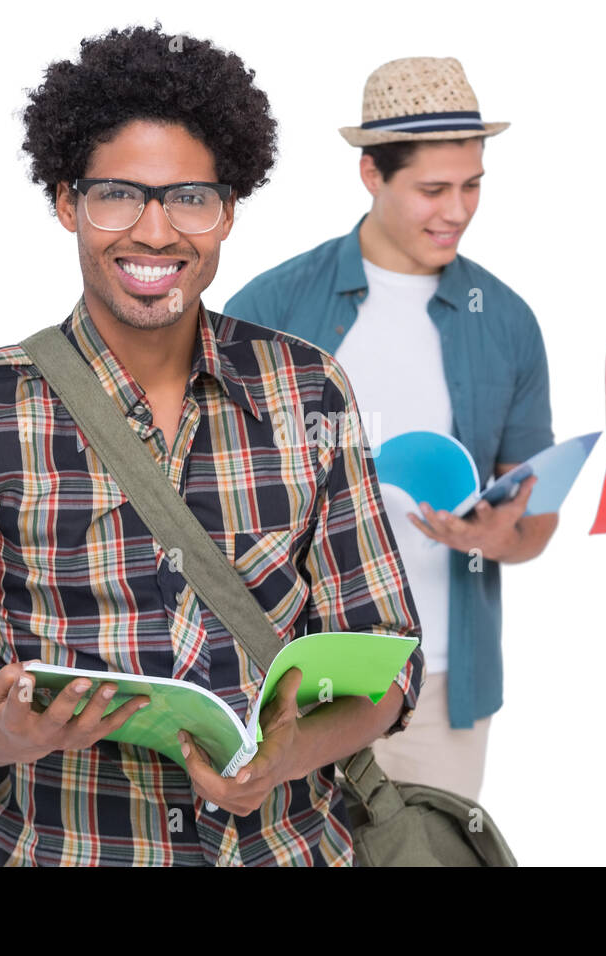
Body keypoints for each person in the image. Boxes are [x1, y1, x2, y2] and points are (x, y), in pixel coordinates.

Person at [0, 24, 423, 867]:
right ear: (66, 202)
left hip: (285, 849)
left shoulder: (309, 389)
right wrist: (6, 731)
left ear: (229, 210)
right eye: (117, 195)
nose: (156, 232)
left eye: (190, 198)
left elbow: (385, 661)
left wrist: (285, 756)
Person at [224, 57, 555, 801]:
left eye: (472, 186)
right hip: (293, 679)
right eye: (433, 189)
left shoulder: (504, 320)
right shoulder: (272, 305)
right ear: (371, 174)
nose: (457, 210)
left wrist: (497, 538)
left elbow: (536, 518)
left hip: (442, 684)